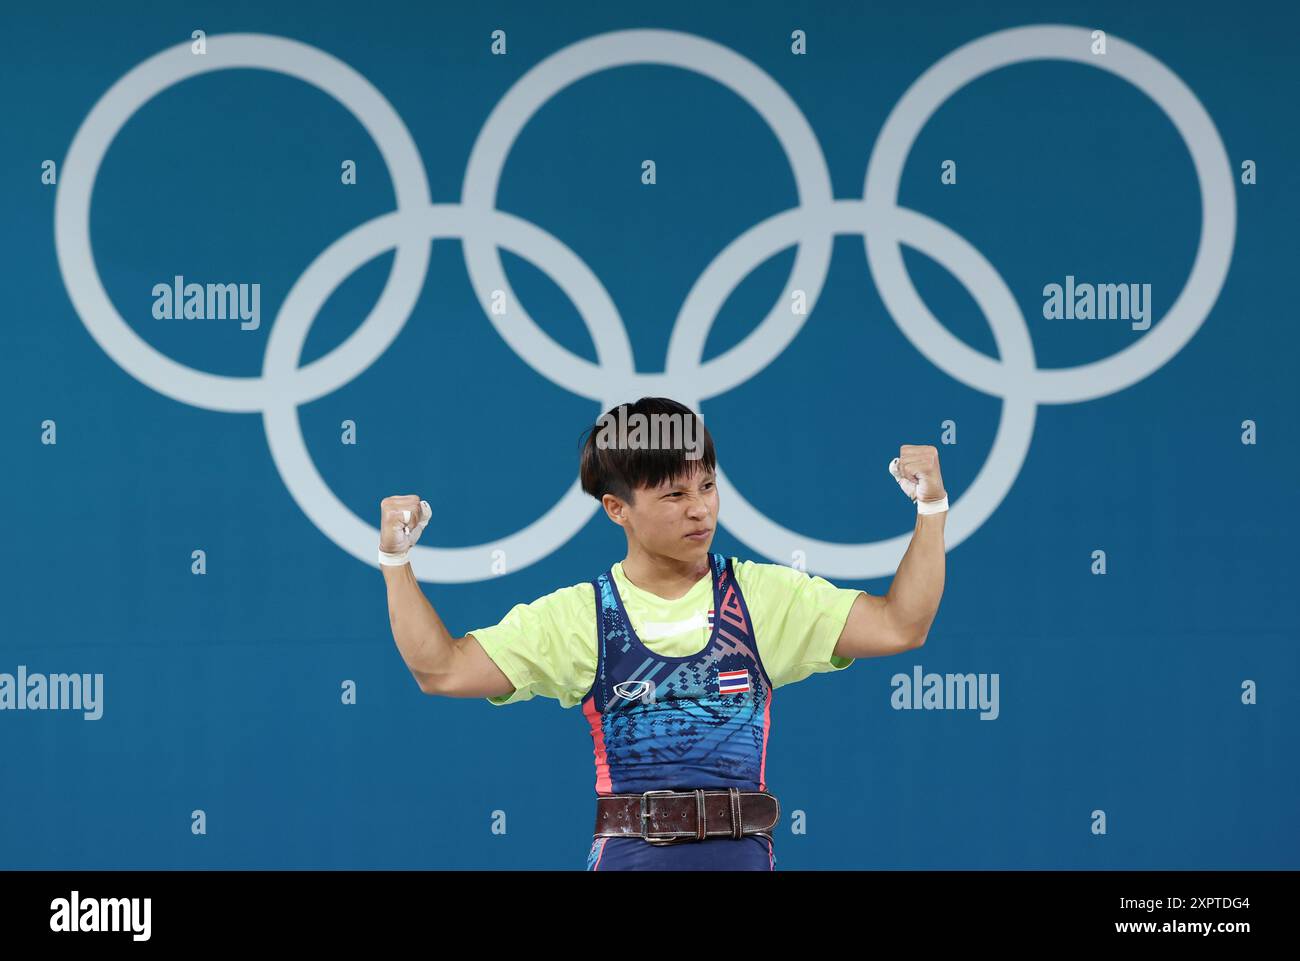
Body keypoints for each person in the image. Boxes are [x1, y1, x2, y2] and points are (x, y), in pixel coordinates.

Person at [380, 397, 948, 870]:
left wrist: (931, 508)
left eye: (707, 486)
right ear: (616, 509)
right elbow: (442, 669)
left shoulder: (764, 599)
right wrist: (395, 560)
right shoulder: (580, 618)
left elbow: (902, 625)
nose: (699, 510)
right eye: (674, 496)